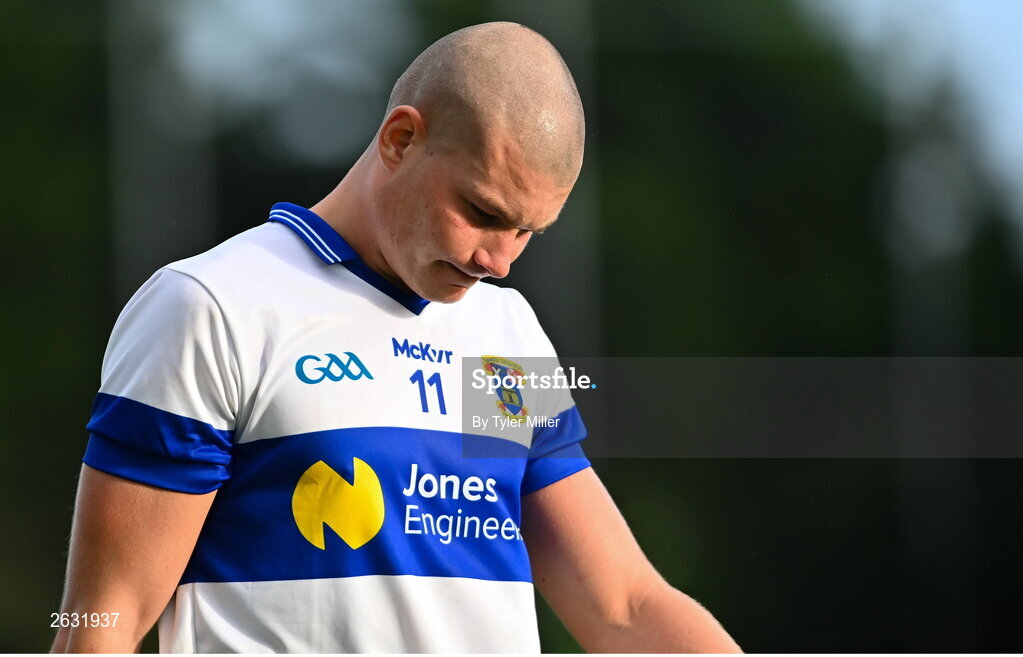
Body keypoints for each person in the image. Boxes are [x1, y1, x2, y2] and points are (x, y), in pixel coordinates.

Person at [52, 22, 741, 653]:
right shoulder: (213, 306)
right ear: (400, 138)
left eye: (526, 231)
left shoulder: (504, 332)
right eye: (481, 211)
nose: (498, 259)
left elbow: (622, 604)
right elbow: (101, 616)